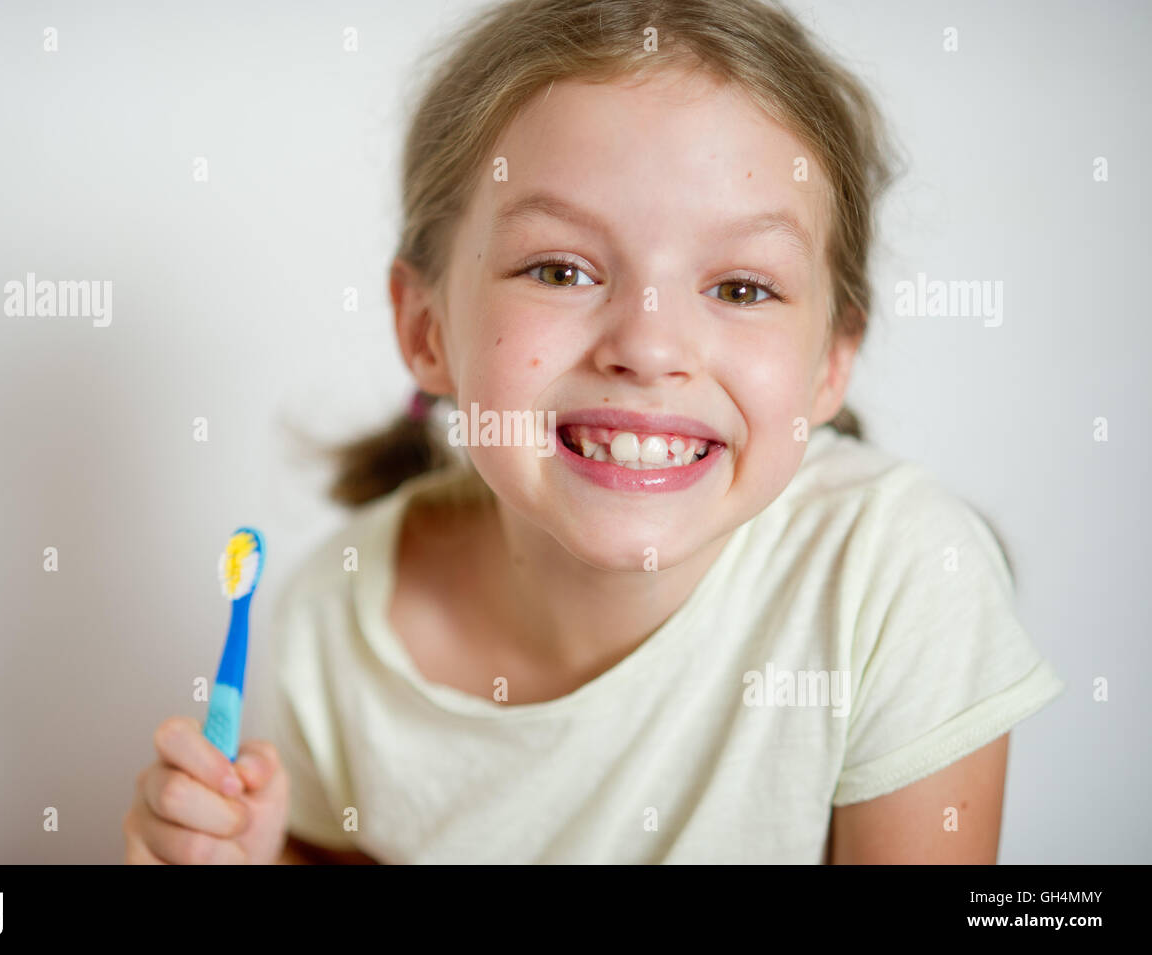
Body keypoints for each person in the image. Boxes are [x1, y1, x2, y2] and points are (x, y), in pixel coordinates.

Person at [125, 0, 1064, 864]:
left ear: (830, 364)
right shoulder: (332, 623)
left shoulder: (893, 578)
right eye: (562, 270)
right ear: (426, 330)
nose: (650, 347)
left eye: (741, 288)